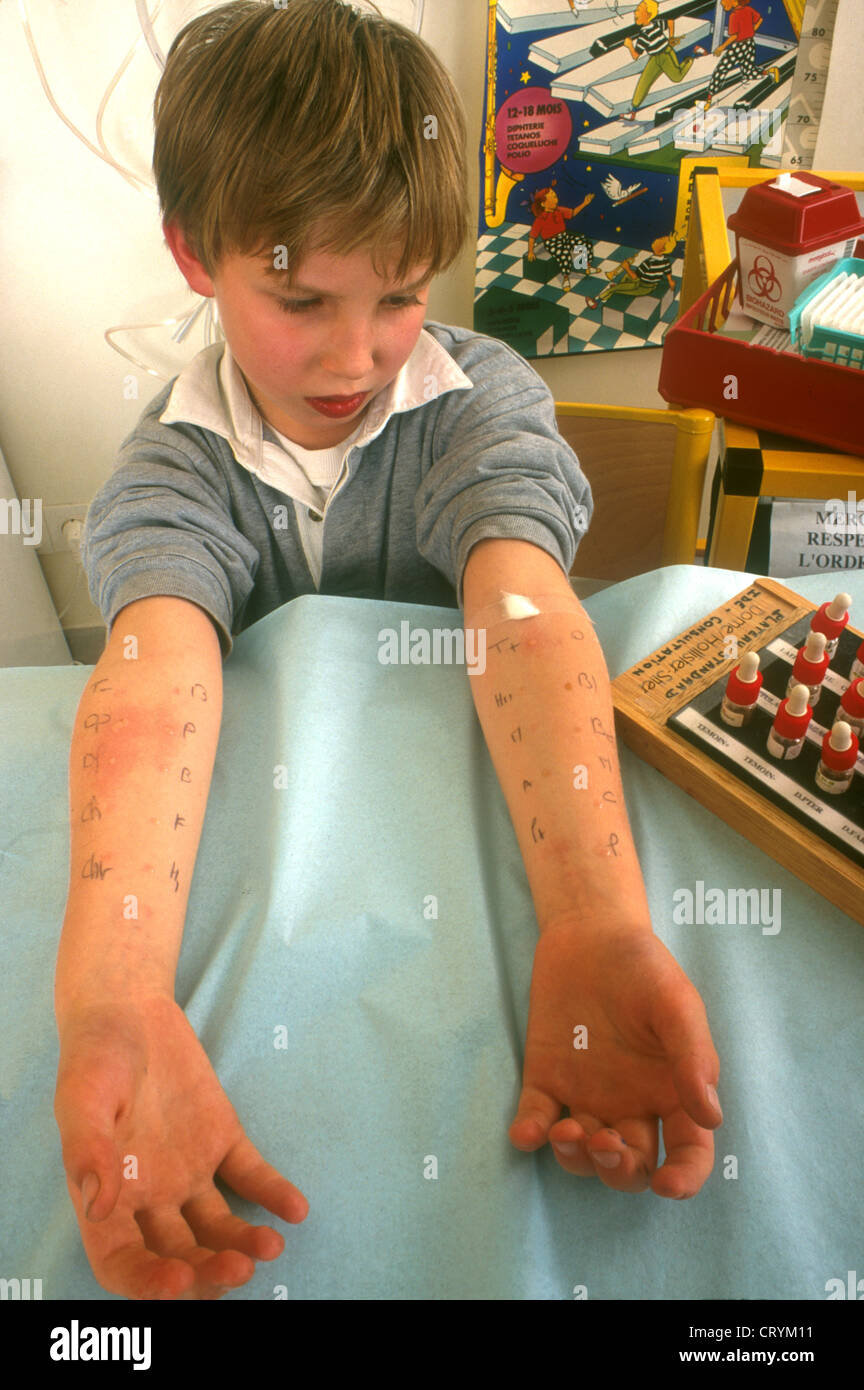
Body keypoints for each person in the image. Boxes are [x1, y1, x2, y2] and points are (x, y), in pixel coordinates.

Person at [55, 0, 722, 1303]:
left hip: (469, 884)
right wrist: (115, 990)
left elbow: (524, 611)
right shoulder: (173, 466)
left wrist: (594, 914)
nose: (355, 354)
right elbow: (153, 682)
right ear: (197, 254)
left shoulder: (480, 408)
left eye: (402, 296)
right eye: (302, 298)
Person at [621, 0, 694, 122]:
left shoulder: (654, 27)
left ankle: (692, 56)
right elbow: (670, 22)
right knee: (643, 83)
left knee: (677, 77)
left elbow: (635, 55)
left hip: (666, 54)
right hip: (654, 59)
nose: (635, 13)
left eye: (639, 10)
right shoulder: (644, 34)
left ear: (648, 14)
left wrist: (629, 45)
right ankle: (632, 113)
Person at [700, 0, 780, 111]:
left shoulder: (734, 15)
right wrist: (751, 31)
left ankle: (708, 100)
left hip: (739, 46)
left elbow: (734, 36)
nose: (722, 4)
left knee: (720, 70)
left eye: (723, 1)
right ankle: (771, 71)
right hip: (750, 43)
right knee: (749, 71)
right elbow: (760, 19)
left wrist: (722, 47)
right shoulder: (748, 9)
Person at [585, 232, 678, 309]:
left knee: (614, 288)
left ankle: (595, 301)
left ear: (661, 248)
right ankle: (611, 293)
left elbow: (635, 278)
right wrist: (670, 280)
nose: (656, 240)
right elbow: (667, 270)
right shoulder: (665, 260)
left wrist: (627, 268)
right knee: (626, 276)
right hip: (651, 285)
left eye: (660, 240)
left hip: (641, 286)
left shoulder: (649, 263)